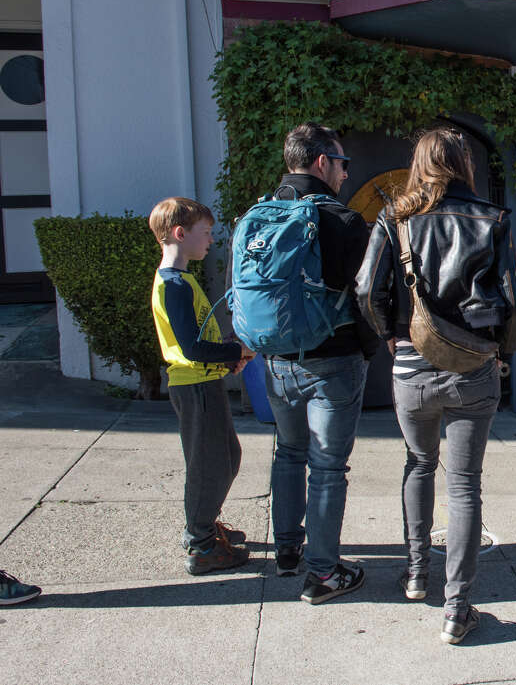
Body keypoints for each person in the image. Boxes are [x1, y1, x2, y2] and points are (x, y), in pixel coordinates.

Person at [356, 126, 516, 644]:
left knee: (418, 464)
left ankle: (414, 575)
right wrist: (505, 352)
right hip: (473, 366)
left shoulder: (395, 218)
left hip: (411, 365)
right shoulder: (494, 219)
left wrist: (388, 335)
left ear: (420, 164)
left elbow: (367, 288)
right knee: (464, 484)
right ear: (464, 164)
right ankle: (457, 609)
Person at [265, 123, 380, 605]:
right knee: (328, 467)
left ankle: (288, 552)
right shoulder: (344, 221)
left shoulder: (262, 212)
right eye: (342, 162)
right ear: (320, 163)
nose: (346, 172)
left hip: (277, 359)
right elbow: (370, 291)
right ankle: (324, 573)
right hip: (333, 359)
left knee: (288, 452)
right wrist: (372, 346)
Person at [149, 197, 254, 575]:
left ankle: (204, 524)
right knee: (210, 465)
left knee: (226, 456)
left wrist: (228, 357)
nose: (211, 240)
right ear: (180, 233)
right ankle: (201, 543)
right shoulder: (174, 284)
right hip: (194, 386)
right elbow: (191, 347)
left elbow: (196, 343)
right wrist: (234, 350)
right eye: (206, 233)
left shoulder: (181, 279)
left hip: (203, 382)